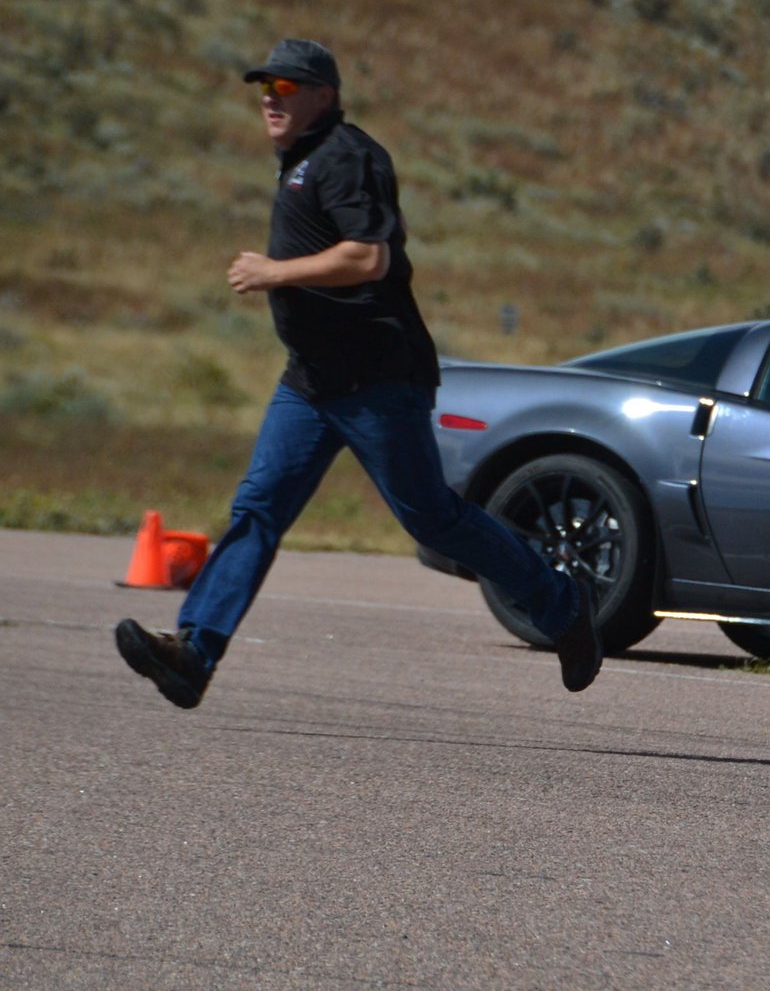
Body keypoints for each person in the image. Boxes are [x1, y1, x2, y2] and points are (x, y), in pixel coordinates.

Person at [115, 38, 599, 708]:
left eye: (285, 88)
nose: (269, 99)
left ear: (324, 95)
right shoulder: (303, 162)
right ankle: (194, 652)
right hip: (311, 382)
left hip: (376, 380)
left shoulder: (346, 157)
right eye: (264, 88)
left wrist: (273, 272)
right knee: (257, 509)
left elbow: (367, 257)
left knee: (433, 519)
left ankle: (562, 604)